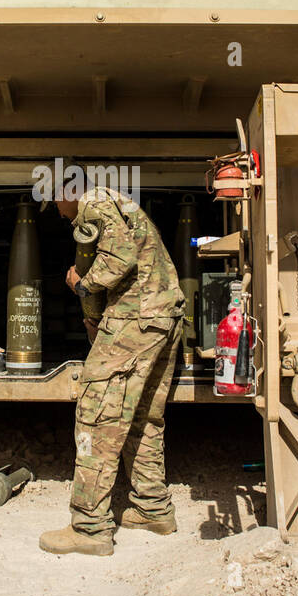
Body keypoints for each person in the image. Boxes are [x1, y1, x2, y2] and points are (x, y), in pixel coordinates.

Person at [38, 176, 185, 557]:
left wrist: (82, 285)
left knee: (96, 415)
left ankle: (89, 528)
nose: (59, 212)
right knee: (142, 417)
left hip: (135, 319)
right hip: (163, 317)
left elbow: (120, 258)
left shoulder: (92, 200)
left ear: (66, 191)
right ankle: (152, 509)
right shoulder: (118, 204)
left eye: (55, 203)